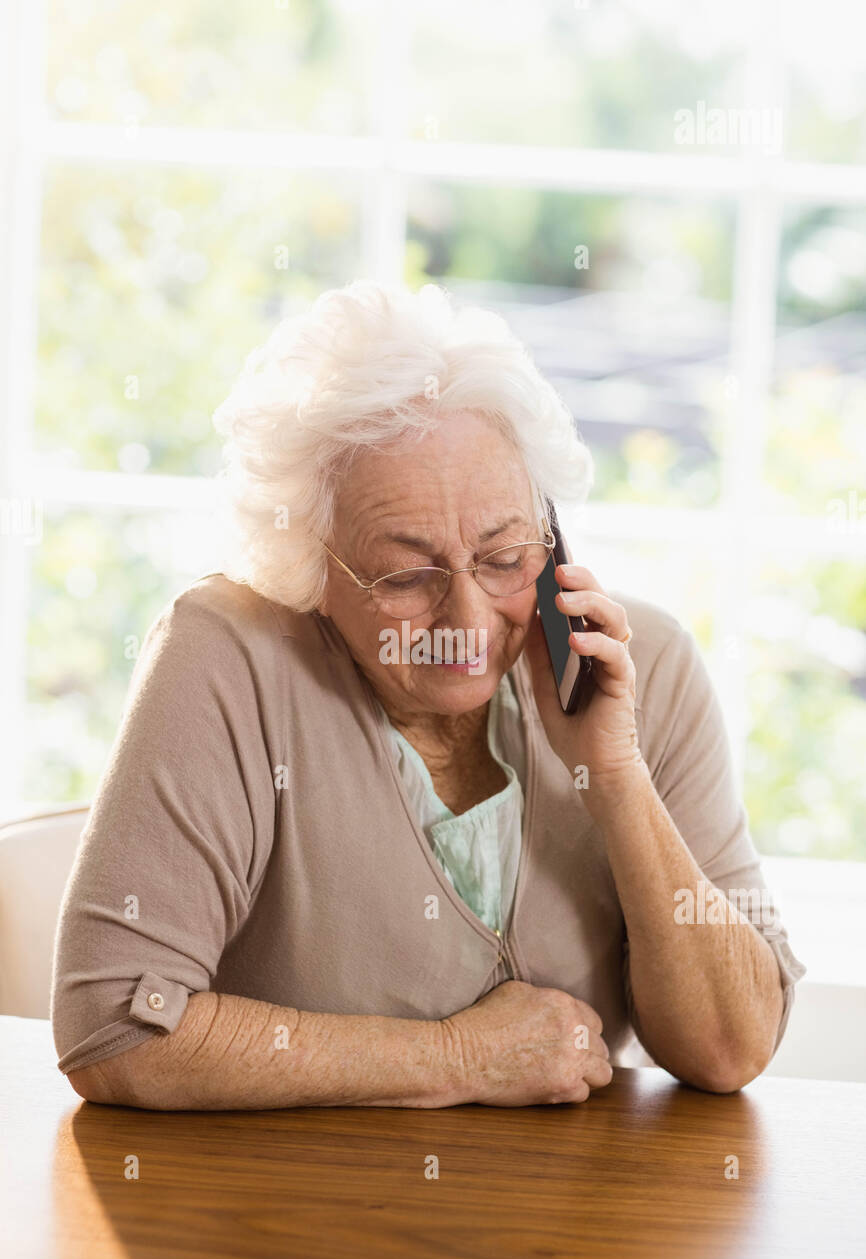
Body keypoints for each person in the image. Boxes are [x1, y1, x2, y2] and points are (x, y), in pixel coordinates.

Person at [50, 279, 806, 1110]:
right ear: (308, 561)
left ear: (550, 538)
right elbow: (112, 1028)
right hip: (279, 1218)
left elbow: (731, 1048)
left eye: (505, 556)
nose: (468, 619)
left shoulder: (639, 663)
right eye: (407, 574)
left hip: (571, 1226)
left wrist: (618, 781)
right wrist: (456, 1058)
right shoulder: (229, 658)